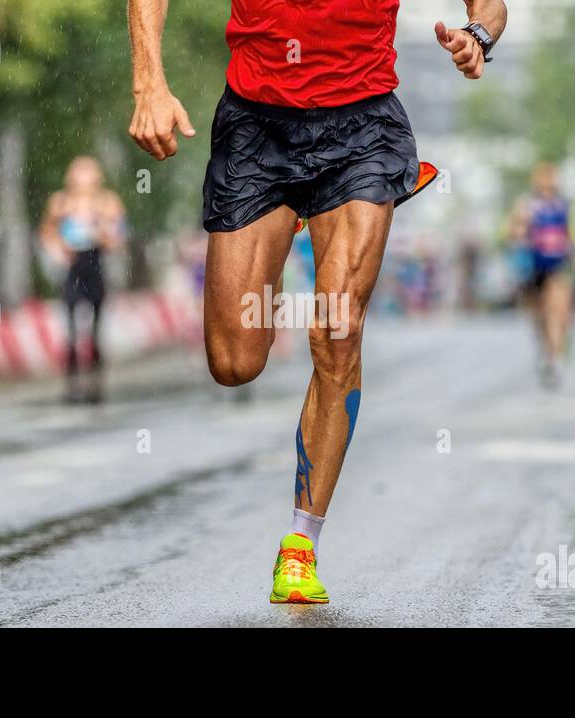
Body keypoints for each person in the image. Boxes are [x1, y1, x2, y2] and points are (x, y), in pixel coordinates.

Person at [127, 0, 508, 604]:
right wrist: (149, 82)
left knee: (338, 328)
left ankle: (301, 546)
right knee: (234, 362)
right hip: (258, 124)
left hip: (362, 130)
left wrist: (477, 35)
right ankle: (294, 213)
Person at [40, 157, 126, 404]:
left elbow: (117, 238)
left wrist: (101, 232)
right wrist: (59, 249)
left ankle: (95, 384)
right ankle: (72, 384)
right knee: (70, 329)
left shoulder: (107, 203)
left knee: (96, 331)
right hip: (73, 267)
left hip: (95, 264)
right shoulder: (61, 203)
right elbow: (47, 233)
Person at [510, 162, 575, 388]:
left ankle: (555, 358)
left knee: (557, 313)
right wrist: (522, 230)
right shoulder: (527, 205)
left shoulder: (563, 205)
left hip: (558, 266)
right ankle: (548, 351)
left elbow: (573, 235)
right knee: (539, 315)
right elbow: (513, 232)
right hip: (534, 267)